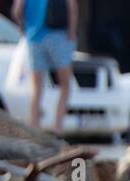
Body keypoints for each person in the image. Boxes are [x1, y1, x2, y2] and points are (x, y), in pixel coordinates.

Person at [13, 0, 80, 135]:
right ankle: (58, 129)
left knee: (37, 88)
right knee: (65, 85)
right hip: (58, 37)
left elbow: (17, 10)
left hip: (34, 38)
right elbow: (72, 7)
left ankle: (34, 129)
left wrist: (24, 28)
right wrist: (72, 33)